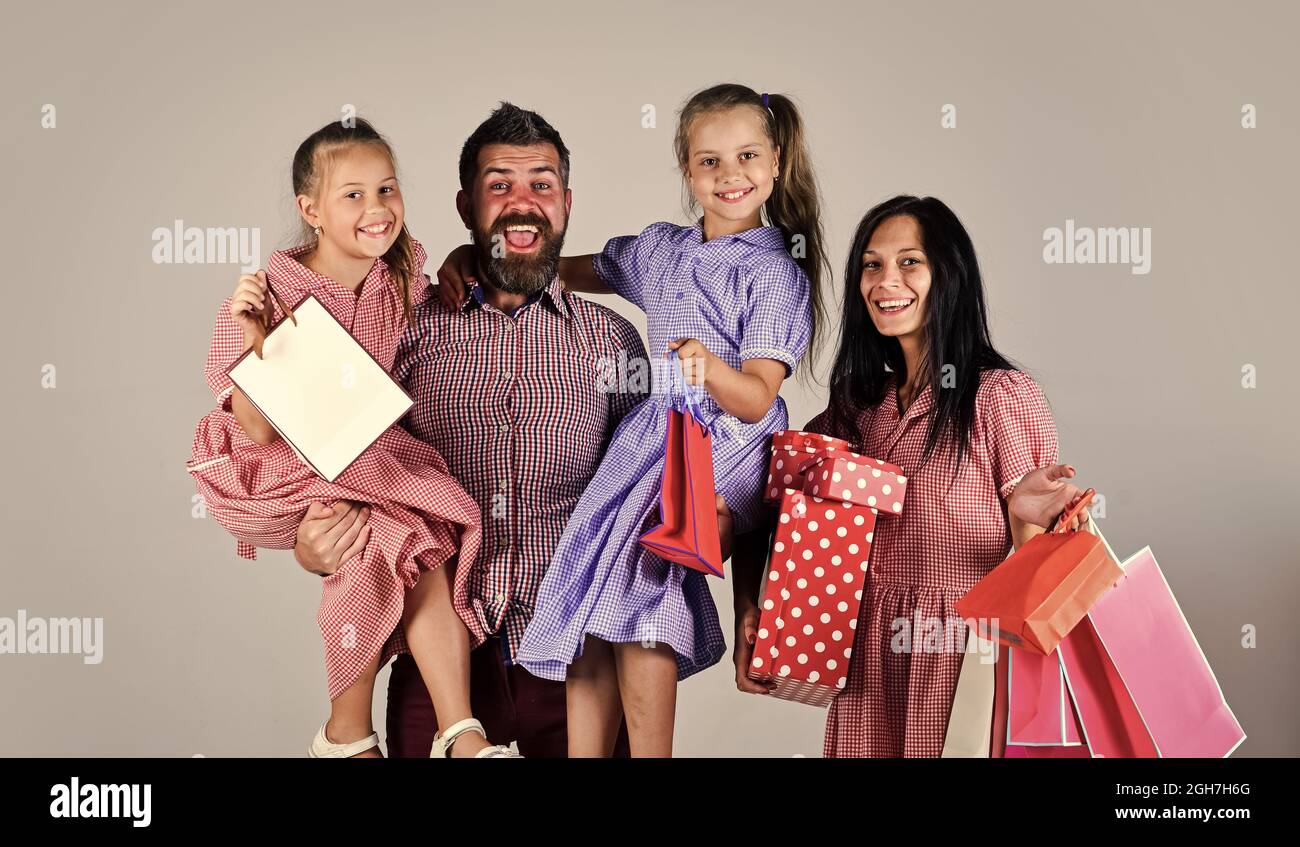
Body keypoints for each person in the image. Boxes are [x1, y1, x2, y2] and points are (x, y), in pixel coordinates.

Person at [294, 102, 738, 757]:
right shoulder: (403, 328)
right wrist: (314, 544)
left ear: (566, 202)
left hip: (580, 680)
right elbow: (351, 480)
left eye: (543, 183)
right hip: (441, 678)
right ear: (464, 204)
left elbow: (653, 499)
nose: (523, 201)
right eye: (499, 184)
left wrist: (710, 523)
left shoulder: (614, 343)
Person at [439, 84, 827, 756]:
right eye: (710, 162)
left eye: (746, 158)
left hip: (728, 441)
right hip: (659, 436)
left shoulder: (773, 271)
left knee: (643, 576)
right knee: (590, 576)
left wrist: (710, 367)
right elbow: (564, 266)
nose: (729, 176)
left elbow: (760, 397)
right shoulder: (660, 250)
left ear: (775, 163)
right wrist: (478, 258)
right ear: (686, 168)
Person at [188, 119, 514, 758]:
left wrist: (455, 267)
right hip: (290, 461)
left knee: (415, 542)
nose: (377, 209)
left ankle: (429, 731)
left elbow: (429, 315)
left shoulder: (396, 277)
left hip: (370, 451)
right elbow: (252, 428)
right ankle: (371, 728)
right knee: (385, 532)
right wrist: (256, 339)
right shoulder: (269, 291)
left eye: (387, 190)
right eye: (353, 195)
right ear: (310, 210)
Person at [731, 195, 1091, 757]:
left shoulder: (1000, 396)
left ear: (949, 275)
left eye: (909, 262)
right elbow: (758, 489)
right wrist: (750, 610)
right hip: (867, 659)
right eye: (871, 264)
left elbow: (1037, 591)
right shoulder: (856, 405)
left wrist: (1027, 527)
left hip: (960, 657)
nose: (884, 281)